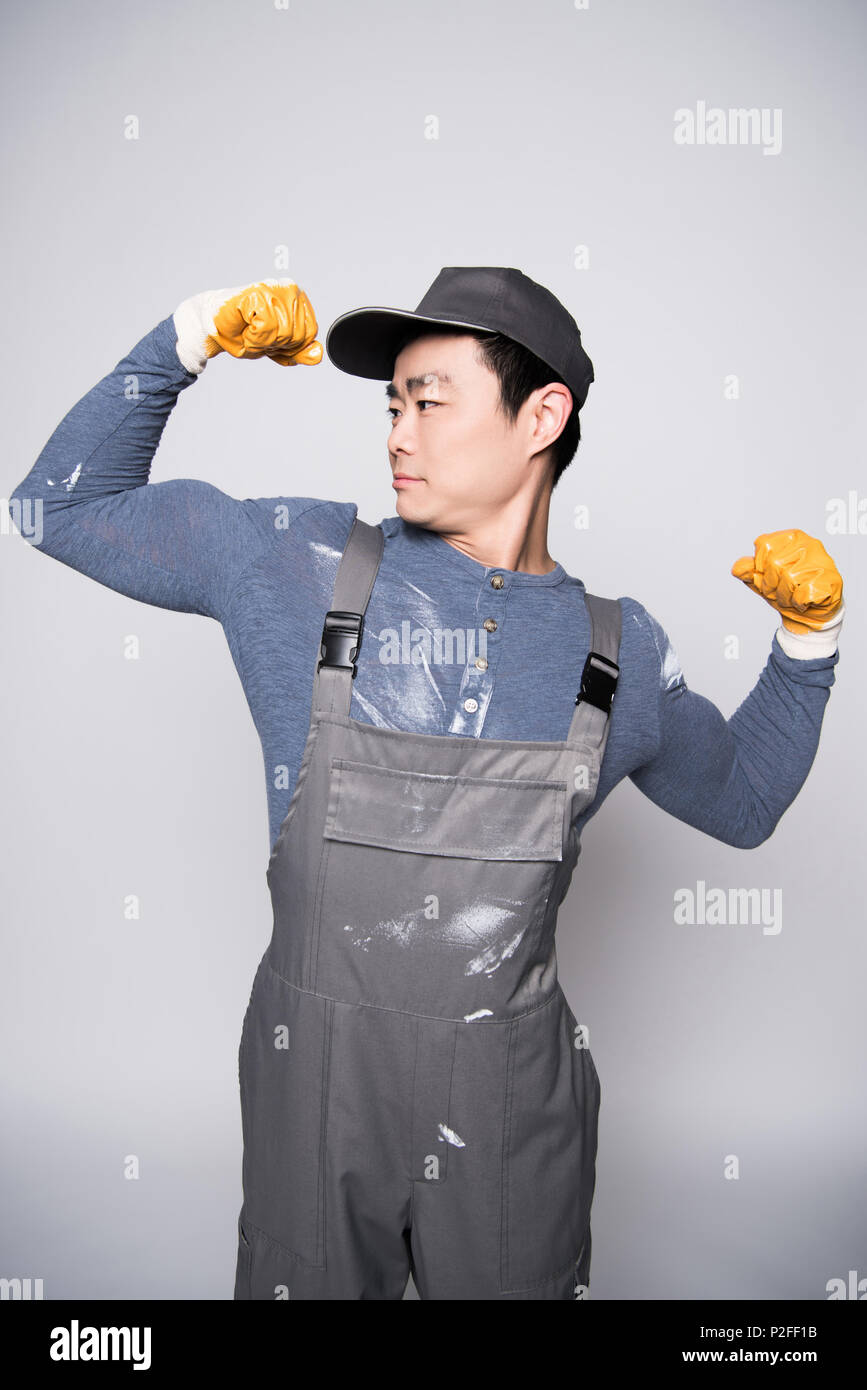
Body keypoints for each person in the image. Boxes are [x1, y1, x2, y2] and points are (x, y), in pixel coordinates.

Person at [7, 267, 845, 1301]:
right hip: (313, 1091)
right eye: (392, 405)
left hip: (512, 1113)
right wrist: (186, 339)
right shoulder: (295, 560)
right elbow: (57, 509)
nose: (399, 433)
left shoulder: (618, 654)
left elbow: (745, 801)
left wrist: (809, 646)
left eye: (431, 401)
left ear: (541, 417)